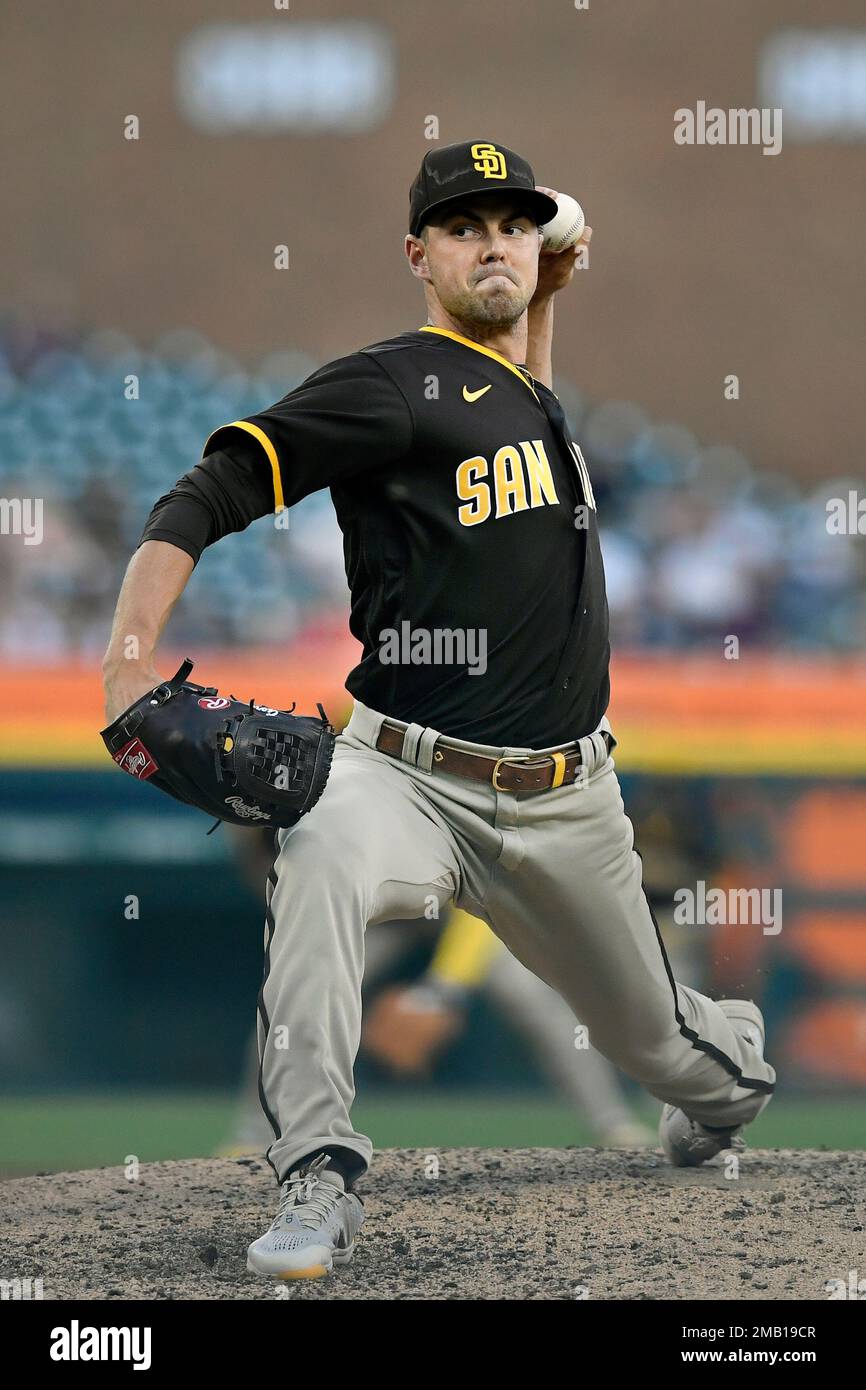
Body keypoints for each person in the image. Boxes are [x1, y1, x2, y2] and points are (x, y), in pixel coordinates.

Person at [102, 140, 775, 1281]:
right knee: (317, 864)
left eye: (510, 222)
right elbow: (207, 490)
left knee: (677, 1060)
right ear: (419, 255)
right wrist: (126, 664)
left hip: (566, 801)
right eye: (463, 226)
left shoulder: (531, 392)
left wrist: (544, 289)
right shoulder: (390, 382)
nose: (492, 240)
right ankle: (315, 1170)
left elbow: (513, 381)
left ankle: (723, 1065)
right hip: (402, 773)